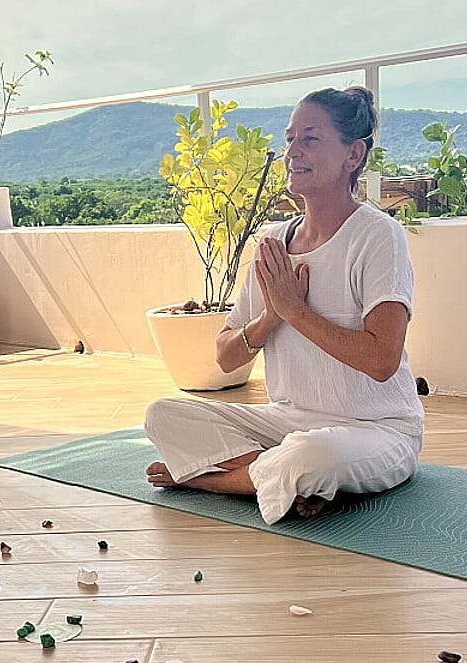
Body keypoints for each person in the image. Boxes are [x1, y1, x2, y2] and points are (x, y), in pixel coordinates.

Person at [144, 86, 424, 524]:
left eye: (310, 138)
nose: (293, 151)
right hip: (286, 422)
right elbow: (224, 355)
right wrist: (271, 317)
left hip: (376, 429)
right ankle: (281, 479)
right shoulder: (274, 243)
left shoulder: (378, 235)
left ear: (353, 155)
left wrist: (296, 312)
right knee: (163, 415)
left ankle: (204, 479)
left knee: (314, 456)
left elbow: (382, 360)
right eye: (290, 138)